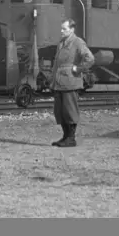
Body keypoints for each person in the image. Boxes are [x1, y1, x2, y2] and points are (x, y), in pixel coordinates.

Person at [51, 18, 95, 147]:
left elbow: (90, 58)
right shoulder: (62, 43)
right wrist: (52, 80)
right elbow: (56, 63)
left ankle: (71, 139)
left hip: (70, 81)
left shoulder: (77, 42)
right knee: (60, 111)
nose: (61, 31)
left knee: (70, 111)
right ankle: (65, 137)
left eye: (64, 29)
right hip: (59, 82)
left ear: (72, 29)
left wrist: (79, 68)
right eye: (61, 28)